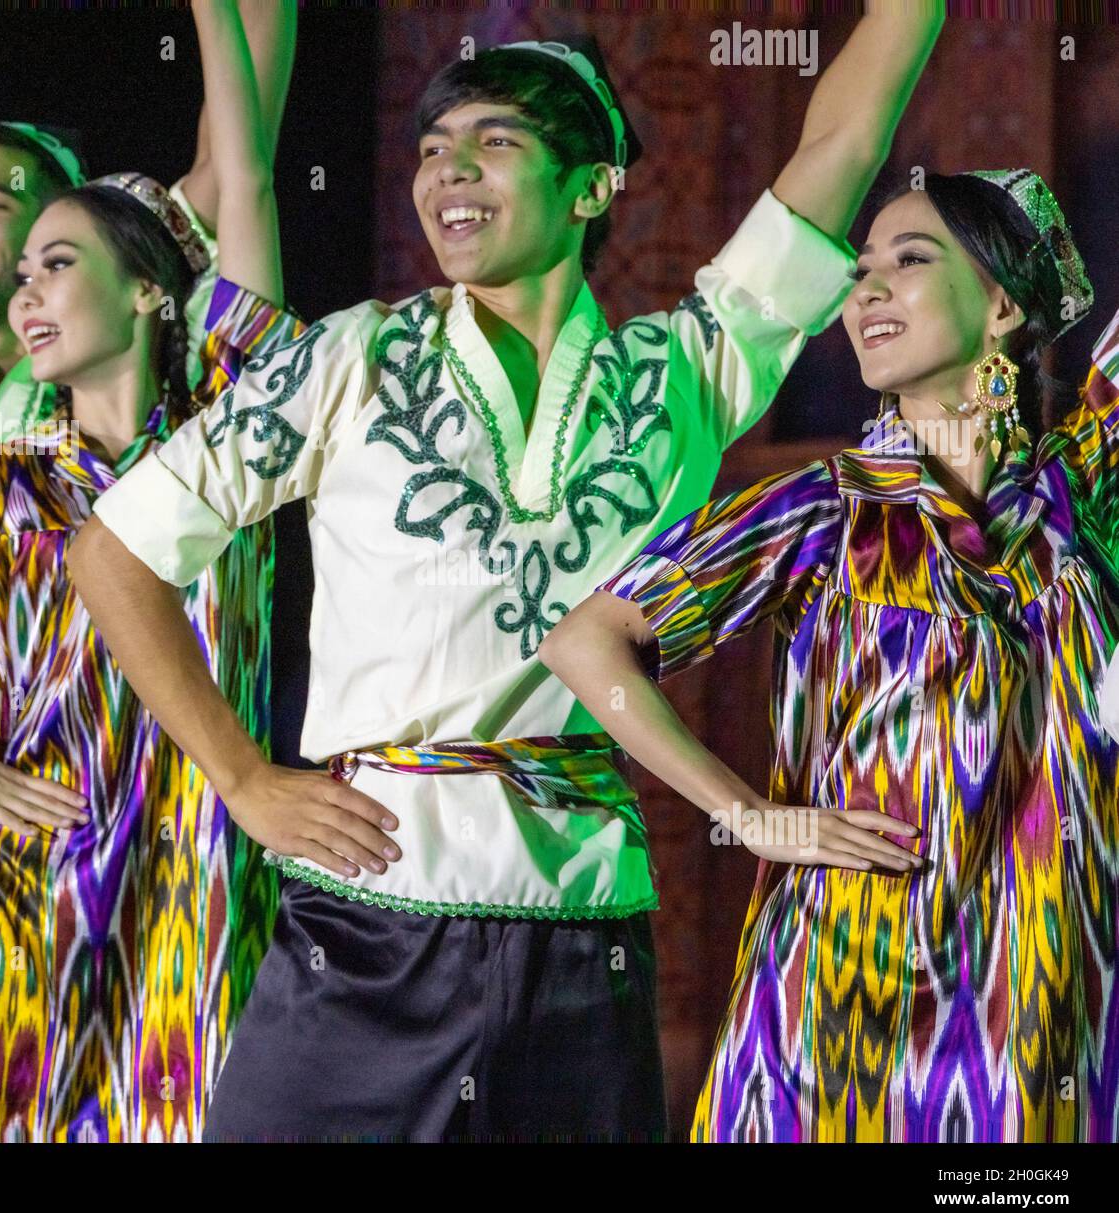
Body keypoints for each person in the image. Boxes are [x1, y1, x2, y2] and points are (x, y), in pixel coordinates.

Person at [69, 9, 943, 1141]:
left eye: (492, 142)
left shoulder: (686, 368)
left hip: (585, 938)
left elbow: (842, 142)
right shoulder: (354, 355)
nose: (448, 173)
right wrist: (240, 777)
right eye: (431, 150)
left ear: (591, 188)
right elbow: (113, 551)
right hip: (365, 922)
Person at [540, 169, 1119, 1142]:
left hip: (1044, 989)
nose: (866, 291)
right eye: (856, 272)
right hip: (846, 992)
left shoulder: (1088, 485)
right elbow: (589, 638)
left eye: (909, 259)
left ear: (1003, 306)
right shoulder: (822, 508)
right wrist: (754, 819)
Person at [0, 0, 298, 1141]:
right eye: (19, 274)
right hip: (32, 875)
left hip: (198, 878)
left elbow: (248, 171)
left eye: (52, 260)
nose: (25, 289)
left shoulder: (232, 431)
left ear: (146, 290)